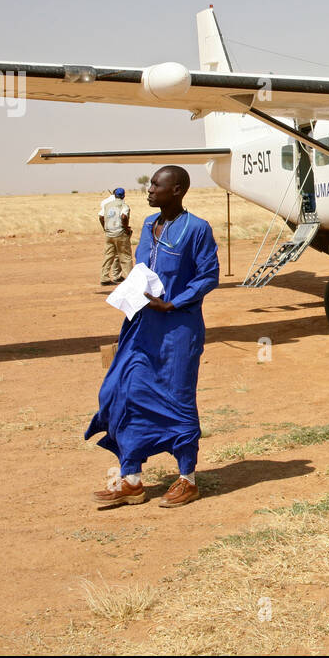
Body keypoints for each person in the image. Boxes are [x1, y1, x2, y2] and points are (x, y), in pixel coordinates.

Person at [86, 166, 220, 508]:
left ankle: (187, 478)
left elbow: (208, 276)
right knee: (128, 391)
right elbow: (144, 270)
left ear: (176, 190)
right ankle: (131, 479)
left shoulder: (197, 229)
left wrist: (173, 302)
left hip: (179, 328)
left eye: (156, 186)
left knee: (178, 398)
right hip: (142, 324)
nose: (149, 190)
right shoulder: (147, 226)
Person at [98, 187, 133, 285]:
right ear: (124, 195)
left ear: (114, 195)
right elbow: (124, 216)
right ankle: (129, 279)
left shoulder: (107, 205)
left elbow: (101, 216)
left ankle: (104, 278)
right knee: (125, 256)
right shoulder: (124, 205)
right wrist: (126, 228)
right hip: (120, 233)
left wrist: (105, 228)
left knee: (108, 256)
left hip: (109, 234)